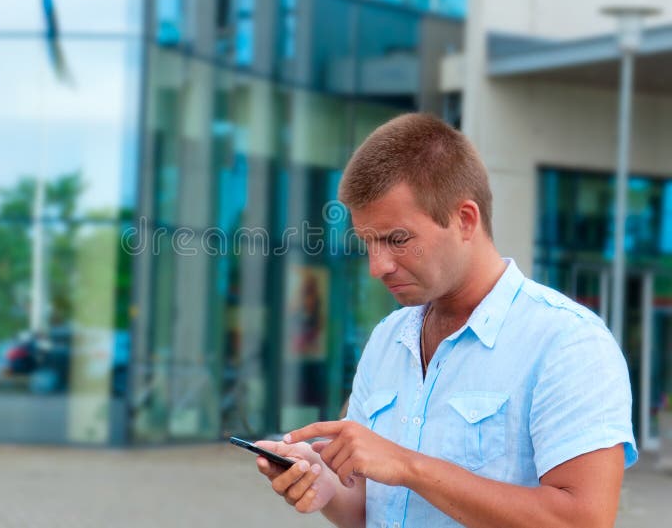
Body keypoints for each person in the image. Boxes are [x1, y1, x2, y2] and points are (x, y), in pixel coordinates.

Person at [254, 113, 637, 528]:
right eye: (368, 242)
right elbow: (371, 508)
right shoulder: (387, 339)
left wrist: (408, 466)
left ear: (465, 220)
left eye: (397, 239)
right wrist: (324, 484)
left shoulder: (569, 342)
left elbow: (584, 521)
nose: (377, 267)